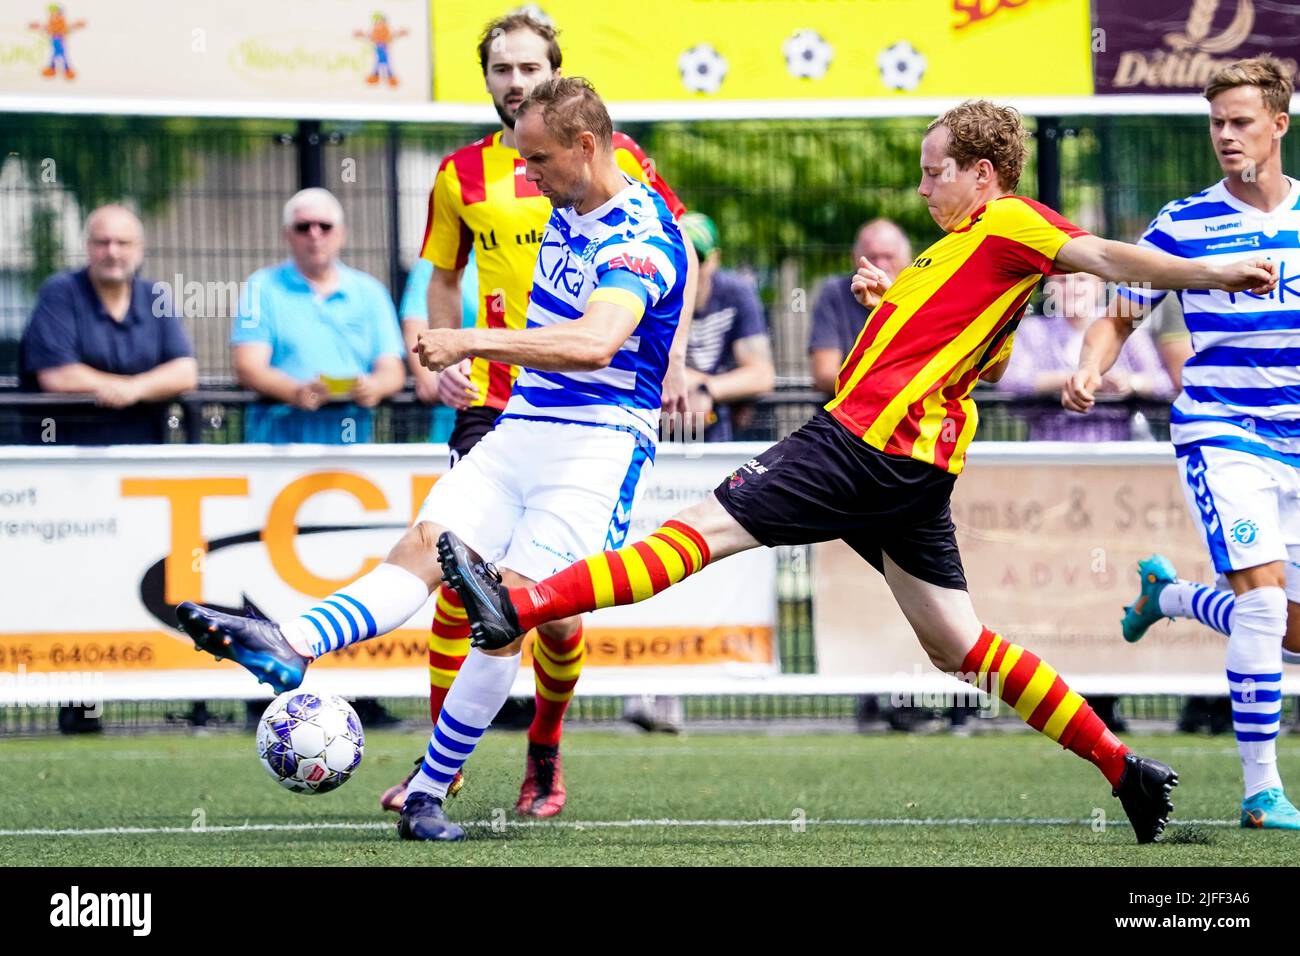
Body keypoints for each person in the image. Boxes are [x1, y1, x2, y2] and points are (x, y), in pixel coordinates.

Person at [443, 98, 1285, 845]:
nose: (923, 190)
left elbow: (1106, 257)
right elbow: (975, 363)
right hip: (912, 465)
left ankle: (513, 606)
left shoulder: (1014, 223)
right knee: (960, 646)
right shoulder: (961, 247)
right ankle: (1123, 769)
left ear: (982, 175)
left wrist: (1211, 271)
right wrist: (891, 299)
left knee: (694, 532)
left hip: (861, 444)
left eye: (934, 173)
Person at [176, 77, 694, 843]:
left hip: (596, 446)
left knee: (508, 607)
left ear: (588, 146)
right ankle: (291, 646)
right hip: (522, 425)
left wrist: (466, 342)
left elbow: (593, 343)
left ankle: (430, 790)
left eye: (540, 160)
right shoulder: (562, 199)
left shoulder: (643, 238)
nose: (529, 176)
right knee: (422, 548)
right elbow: (450, 278)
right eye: (521, 160)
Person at [387, 10, 691, 818]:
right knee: (458, 588)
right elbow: (440, 279)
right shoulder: (459, 174)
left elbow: (678, 247)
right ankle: (439, 770)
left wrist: (675, 358)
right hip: (497, 402)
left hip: (590, 408)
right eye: (501, 70)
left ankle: (545, 744)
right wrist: (433, 353)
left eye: (529, 68)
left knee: (547, 614)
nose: (514, 81)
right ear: (484, 80)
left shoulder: (609, 158)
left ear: (552, 71)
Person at [1067, 56, 1300, 829]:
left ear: (1279, 124)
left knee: (1288, 632)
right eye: (1216, 123)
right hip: (1224, 431)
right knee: (1264, 611)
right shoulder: (1184, 222)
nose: (1226, 136)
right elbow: (1119, 313)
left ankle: (1166, 596)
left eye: (1240, 122)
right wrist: (1091, 367)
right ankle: (1263, 793)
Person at [232, 188, 406, 444]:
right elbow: (247, 366)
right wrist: (295, 392)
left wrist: (374, 387)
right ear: (287, 235)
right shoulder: (261, 287)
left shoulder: (371, 292)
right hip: (276, 450)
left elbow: (393, 369)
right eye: (303, 227)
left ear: (342, 234)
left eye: (325, 226)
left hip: (352, 448)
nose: (315, 234)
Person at [20, 204, 197, 446]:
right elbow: (58, 376)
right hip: (66, 457)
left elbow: (185, 372)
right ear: (87, 247)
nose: (112, 251)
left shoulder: (155, 295)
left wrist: (134, 388)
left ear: (140, 249)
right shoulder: (60, 292)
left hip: (143, 454)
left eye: (123, 243)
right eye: (102, 242)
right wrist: (127, 388)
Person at [1000, 272, 1173, 441]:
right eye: (1062, 281)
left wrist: (1130, 382)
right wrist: (1074, 380)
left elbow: (1164, 382)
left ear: (1099, 286)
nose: (1072, 288)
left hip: (1116, 456)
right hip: (1049, 455)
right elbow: (1010, 382)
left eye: (1081, 279)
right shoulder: (1033, 330)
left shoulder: (1126, 330)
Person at [676, 212, 774, 442]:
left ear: (715, 259)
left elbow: (762, 375)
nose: (689, 267)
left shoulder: (736, 292)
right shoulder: (657, 291)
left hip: (717, 417)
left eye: (697, 258)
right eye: (678, 256)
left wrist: (706, 390)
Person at [808, 218, 911, 395]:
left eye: (889, 256)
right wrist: (887, 385)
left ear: (907, 258)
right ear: (855, 259)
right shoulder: (835, 293)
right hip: (848, 415)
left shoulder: (922, 291)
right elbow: (824, 373)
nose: (880, 265)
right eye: (872, 257)